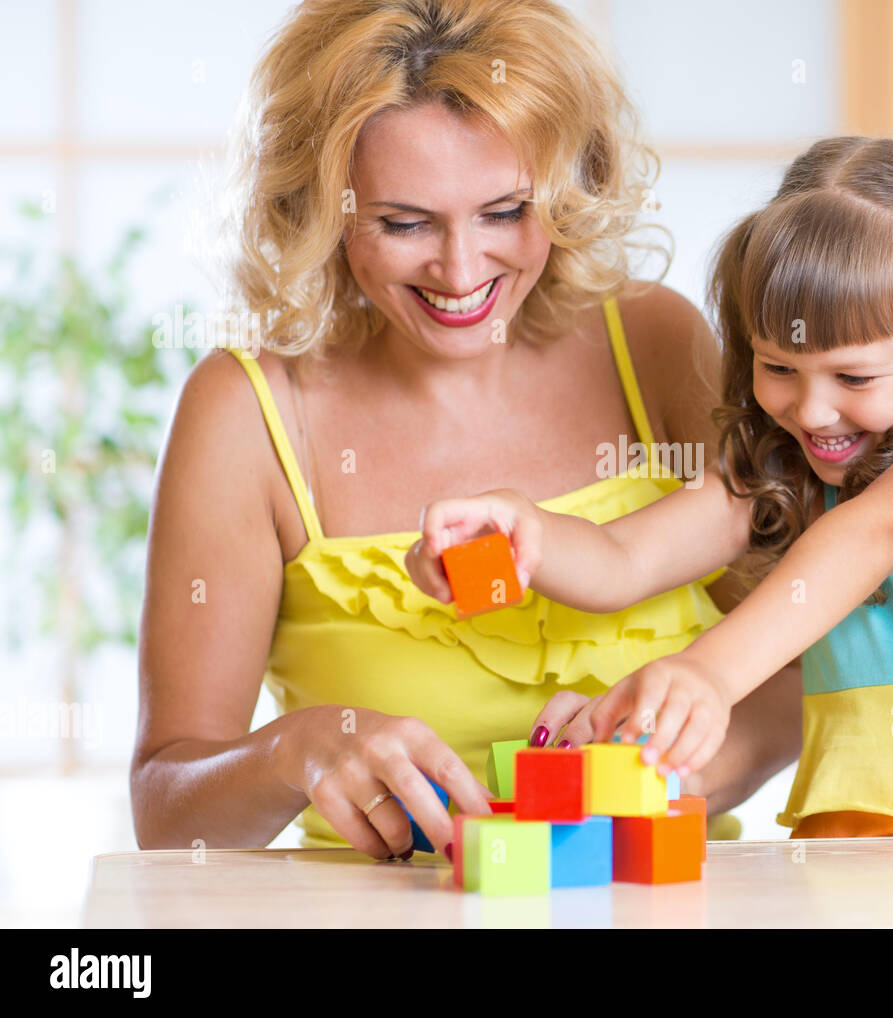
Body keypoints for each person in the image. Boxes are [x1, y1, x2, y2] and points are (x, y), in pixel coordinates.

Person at [130, 0, 804, 861]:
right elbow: (165, 809)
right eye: (404, 223)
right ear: (323, 211)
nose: (461, 270)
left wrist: (663, 771)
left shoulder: (656, 343)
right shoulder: (246, 412)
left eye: (506, 211)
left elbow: (796, 668)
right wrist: (292, 750)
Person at [409, 136, 893, 838]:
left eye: (854, 375)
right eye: (778, 367)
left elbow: (872, 535)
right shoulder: (781, 463)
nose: (811, 409)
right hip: (866, 833)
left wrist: (710, 672)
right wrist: (527, 535)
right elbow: (624, 558)